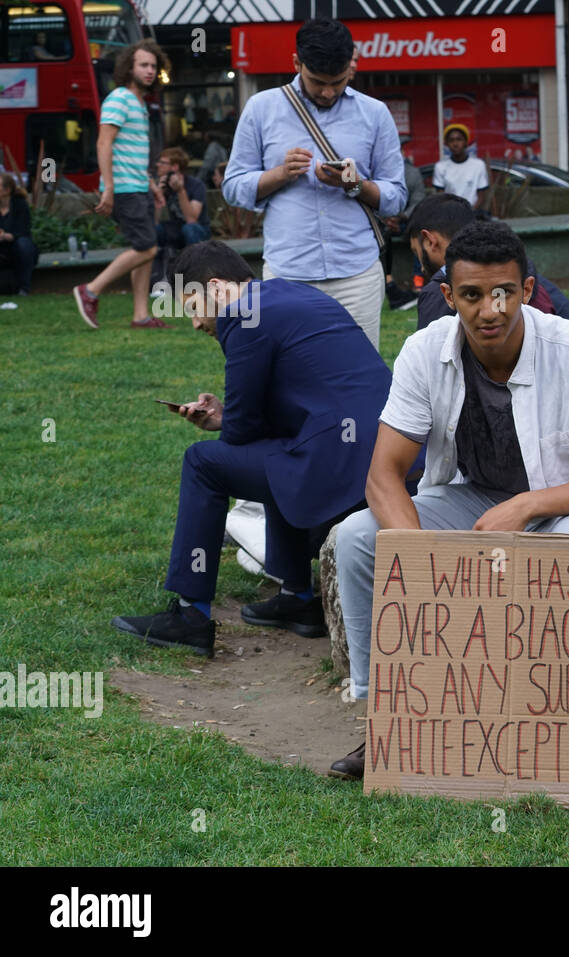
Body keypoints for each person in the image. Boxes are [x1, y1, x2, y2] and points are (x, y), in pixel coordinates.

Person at [328, 221, 569, 779]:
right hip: (473, 500)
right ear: (449, 296)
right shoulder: (424, 350)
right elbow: (383, 476)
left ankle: (553, 727)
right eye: (472, 295)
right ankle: (389, 718)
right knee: (357, 537)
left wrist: (527, 506)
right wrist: (420, 557)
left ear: (527, 290)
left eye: (503, 293)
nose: (489, 310)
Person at [110, 240, 393, 657]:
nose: (193, 323)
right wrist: (228, 417)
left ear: (218, 288)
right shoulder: (294, 293)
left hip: (342, 461)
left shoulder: (242, 317)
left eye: (191, 306)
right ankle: (296, 598)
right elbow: (284, 407)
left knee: (203, 463)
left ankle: (190, 615)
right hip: (387, 449)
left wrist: (228, 424)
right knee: (278, 451)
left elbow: (240, 437)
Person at [222, 17, 406, 349]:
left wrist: (353, 183)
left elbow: (396, 196)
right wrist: (279, 174)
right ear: (296, 63)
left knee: (359, 375)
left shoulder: (375, 114)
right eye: (317, 81)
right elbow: (233, 186)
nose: (327, 91)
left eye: (337, 81)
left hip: (357, 274)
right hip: (288, 273)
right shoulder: (261, 109)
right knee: (292, 375)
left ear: (352, 63)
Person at [410, 193, 569, 415]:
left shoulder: (439, 292)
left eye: (415, 253)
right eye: (472, 295)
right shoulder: (520, 274)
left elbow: (433, 384)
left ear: (430, 241)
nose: (490, 312)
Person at [72, 40, 170, 330]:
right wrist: (110, 188)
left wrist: (151, 184)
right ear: (129, 67)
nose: (150, 71)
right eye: (143, 65)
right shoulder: (119, 98)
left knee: (145, 249)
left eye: (153, 66)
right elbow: (104, 142)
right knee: (147, 248)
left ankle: (140, 316)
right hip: (125, 188)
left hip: (138, 186)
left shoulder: (139, 104)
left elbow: (132, 151)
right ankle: (90, 290)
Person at [382, 139, 426, 311]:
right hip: (384, 222)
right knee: (377, 234)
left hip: (407, 222)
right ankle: (389, 285)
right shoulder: (379, 172)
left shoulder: (412, 173)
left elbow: (418, 202)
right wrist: (385, 218)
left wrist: (400, 217)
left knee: (419, 233)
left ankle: (418, 281)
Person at [151, 147, 211, 256]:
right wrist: (159, 194)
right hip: (173, 231)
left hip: (197, 231)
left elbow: (191, 220)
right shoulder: (160, 186)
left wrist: (180, 191)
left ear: (175, 167)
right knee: (154, 229)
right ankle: (162, 270)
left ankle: (195, 270)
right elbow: (154, 220)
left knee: (189, 229)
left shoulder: (196, 185)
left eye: (163, 163)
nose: (157, 165)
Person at [432, 124, 489, 208]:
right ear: (447, 144)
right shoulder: (440, 167)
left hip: (473, 215)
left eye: (459, 139)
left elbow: (482, 196)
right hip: (449, 215)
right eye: (451, 140)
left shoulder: (478, 165)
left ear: (466, 142)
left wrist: (470, 212)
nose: (455, 144)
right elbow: (440, 196)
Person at [0, 172, 38, 295]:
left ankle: (24, 288)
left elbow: (23, 230)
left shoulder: (20, 205)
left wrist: (6, 236)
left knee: (24, 244)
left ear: (7, 190)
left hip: (16, 246)